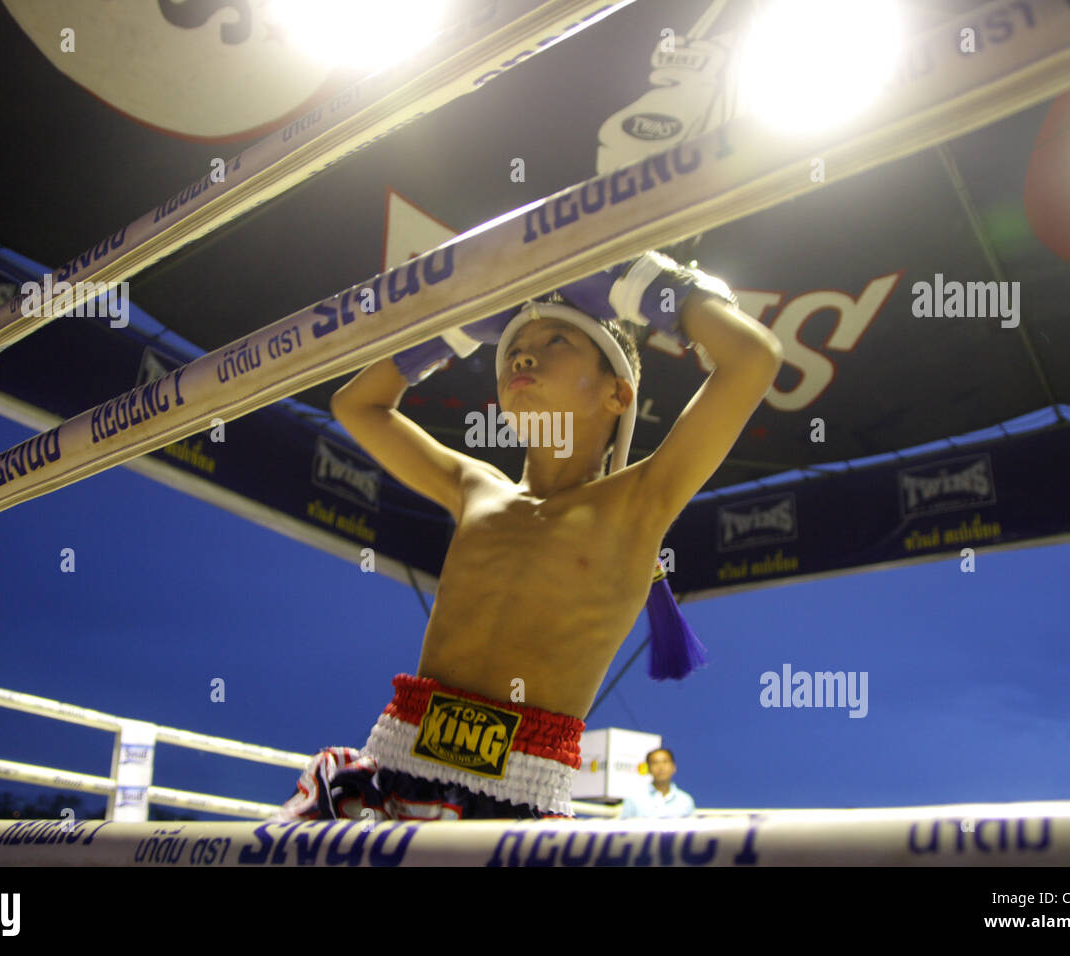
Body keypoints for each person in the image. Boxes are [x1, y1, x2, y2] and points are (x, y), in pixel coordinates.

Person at [271, 251, 782, 822]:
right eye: (510, 347)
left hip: (517, 802)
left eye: (558, 340)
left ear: (619, 393)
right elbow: (356, 405)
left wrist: (641, 286)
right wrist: (454, 331)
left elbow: (752, 359)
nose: (523, 353)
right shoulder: (474, 485)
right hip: (387, 772)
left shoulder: (640, 502)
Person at [618, 747, 695, 819]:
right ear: (648, 769)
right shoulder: (634, 799)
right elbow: (623, 831)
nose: (661, 767)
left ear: (673, 767)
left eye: (665, 762)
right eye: (655, 763)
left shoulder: (685, 801)